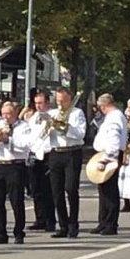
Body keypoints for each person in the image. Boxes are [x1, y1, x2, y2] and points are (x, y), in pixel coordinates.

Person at [0, 101, 32, 244]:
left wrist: (8, 141)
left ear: (15, 113)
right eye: (4, 113)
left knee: (16, 201)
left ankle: (19, 232)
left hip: (15, 166)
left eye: (9, 114)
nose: (6, 117)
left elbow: (26, 146)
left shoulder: (24, 127)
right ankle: (0, 233)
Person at [47, 87, 86, 239]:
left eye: (63, 101)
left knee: (71, 189)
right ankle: (62, 225)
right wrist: (47, 126)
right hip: (56, 152)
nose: (60, 104)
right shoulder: (52, 113)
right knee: (56, 192)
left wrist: (65, 127)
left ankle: (73, 225)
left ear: (69, 99)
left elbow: (81, 134)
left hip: (72, 152)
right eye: (58, 100)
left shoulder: (77, 113)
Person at [89, 93, 127, 236]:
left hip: (109, 155)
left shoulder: (114, 118)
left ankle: (110, 224)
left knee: (110, 190)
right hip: (107, 154)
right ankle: (103, 221)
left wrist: (107, 158)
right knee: (103, 190)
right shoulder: (113, 117)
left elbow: (113, 139)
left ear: (103, 106)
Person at [24, 90, 56, 232]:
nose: (38, 106)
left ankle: (50, 221)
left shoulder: (53, 115)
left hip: (48, 154)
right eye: (36, 103)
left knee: (48, 190)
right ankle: (40, 219)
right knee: (36, 190)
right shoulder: (34, 117)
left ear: (47, 103)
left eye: (41, 103)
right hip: (35, 155)